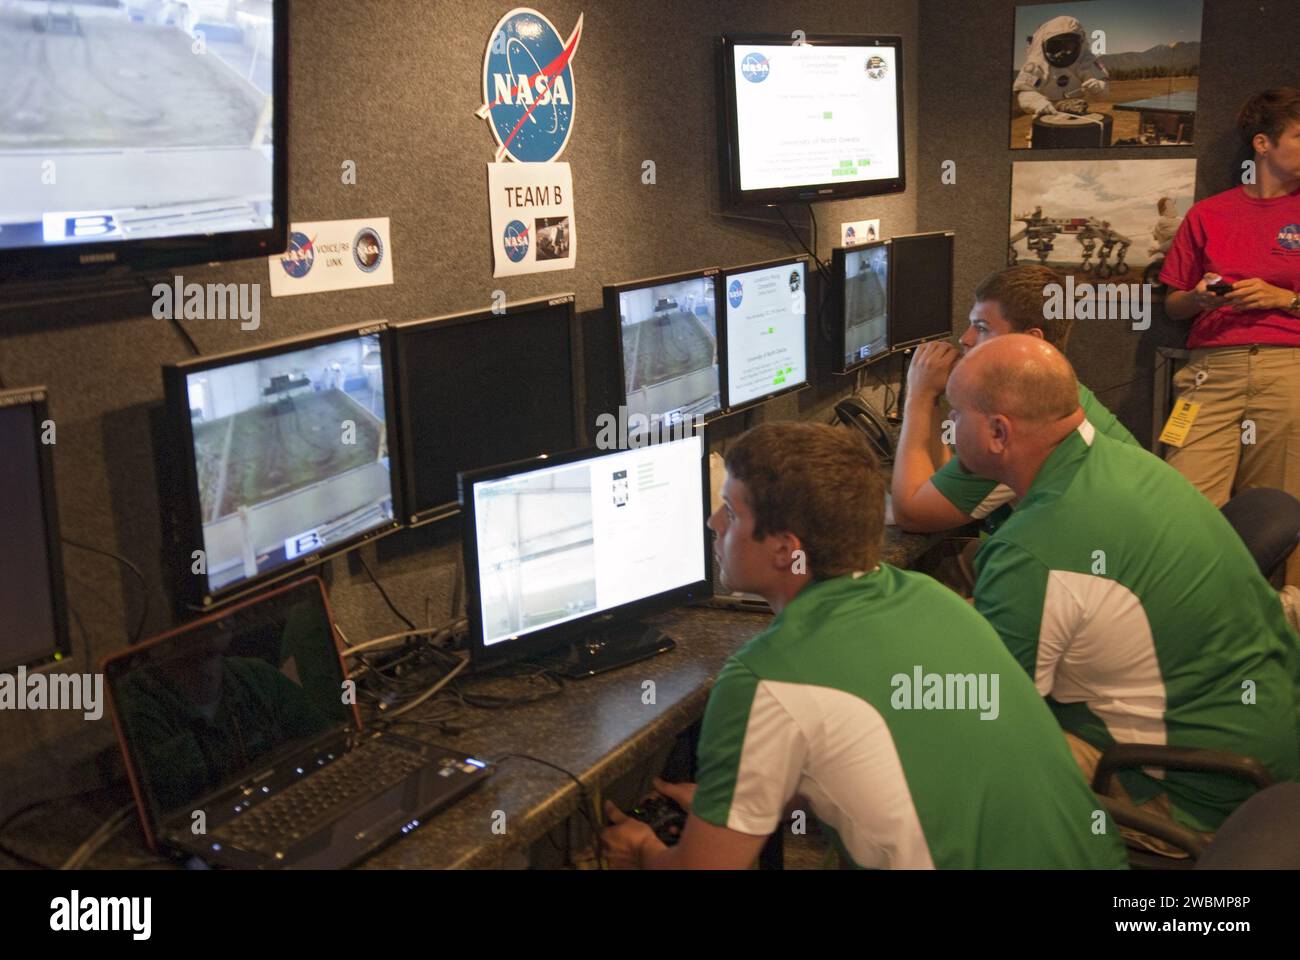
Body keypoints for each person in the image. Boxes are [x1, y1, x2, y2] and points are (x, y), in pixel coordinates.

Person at [600, 421, 1127, 870]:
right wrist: (747, 799)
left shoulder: (764, 681)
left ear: (786, 551)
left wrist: (643, 848)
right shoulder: (929, 597)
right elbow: (881, 751)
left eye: (731, 514)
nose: (714, 524)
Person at [948, 335, 1300, 843]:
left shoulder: (1032, 552)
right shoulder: (1132, 465)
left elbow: (987, 709)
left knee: (949, 741)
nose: (950, 426)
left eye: (955, 415)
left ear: (999, 432)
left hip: (1199, 799)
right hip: (1265, 748)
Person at [1160, 86, 1300, 591]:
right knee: (1183, 497)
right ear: (1262, 144)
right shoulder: (1209, 214)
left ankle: (1280, 632)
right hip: (1208, 372)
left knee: (1282, 507)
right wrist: (1199, 299)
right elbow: (1172, 302)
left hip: (1288, 368)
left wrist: (1284, 300)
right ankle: (1190, 617)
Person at [891, 264, 1137, 535]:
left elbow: (913, 515)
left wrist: (919, 395)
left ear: (1029, 340)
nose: (965, 338)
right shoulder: (1057, 392)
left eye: (982, 328)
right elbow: (947, 482)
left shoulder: (1018, 421)